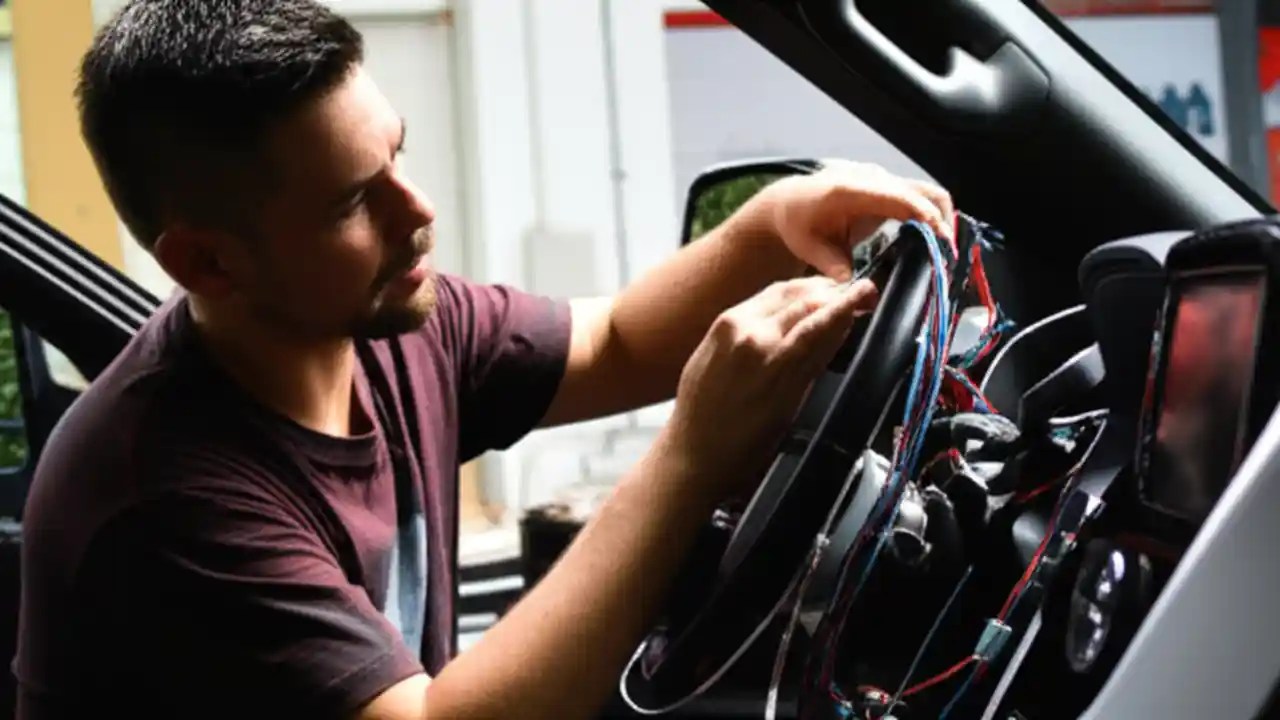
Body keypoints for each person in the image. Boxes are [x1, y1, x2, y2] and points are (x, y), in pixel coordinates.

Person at [12, 1, 955, 718]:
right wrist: (691, 453)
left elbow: (618, 338)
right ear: (208, 261)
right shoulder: (168, 499)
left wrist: (774, 223)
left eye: (398, 155)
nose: (416, 210)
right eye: (351, 203)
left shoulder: (381, 323)